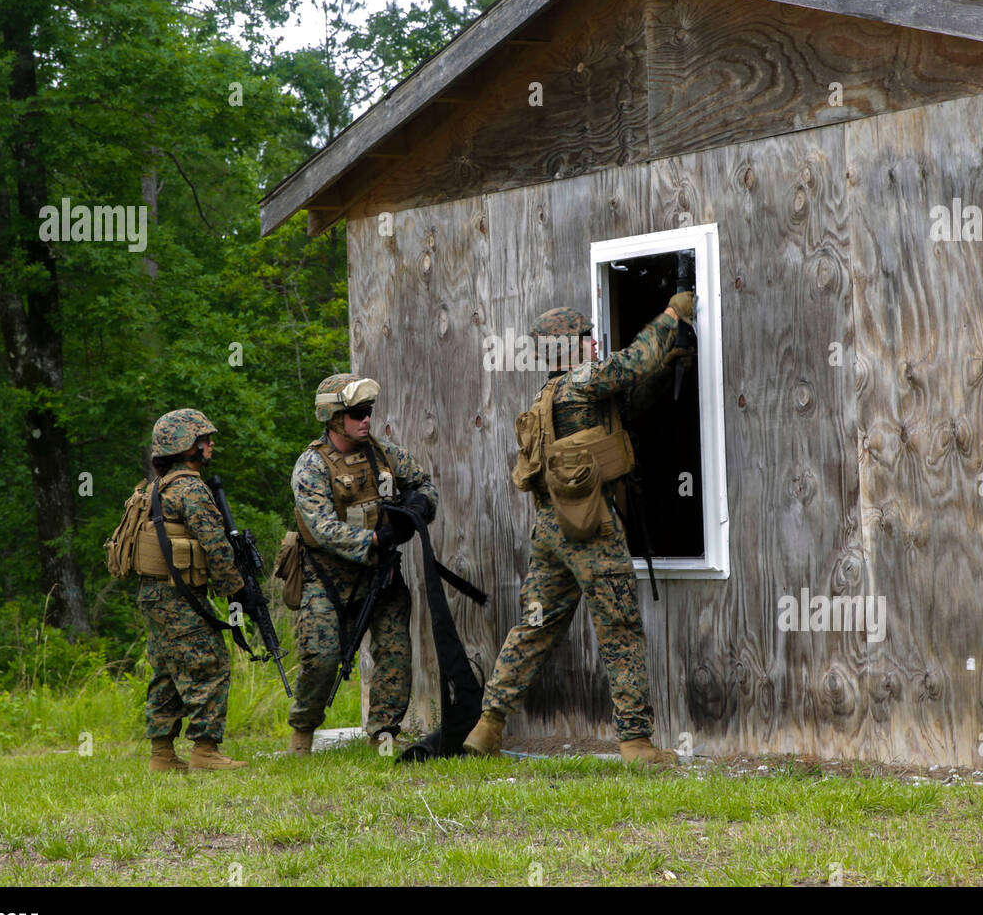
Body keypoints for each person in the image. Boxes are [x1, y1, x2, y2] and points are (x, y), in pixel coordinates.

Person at [463, 293, 695, 765]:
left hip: (552, 531)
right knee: (620, 629)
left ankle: (486, 728)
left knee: (534, 629)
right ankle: (636, 744)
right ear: (568, 348)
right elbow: (631, 363)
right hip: (590, 528)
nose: (594, 345)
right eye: (587, 338)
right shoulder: (583, 381)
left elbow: (624, 403)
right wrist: (672, 315)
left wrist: (668, 365)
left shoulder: (549, 397)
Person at [286, 374, 438, 754]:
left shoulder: (385, 455)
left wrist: (419, 504)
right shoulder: (311, 467)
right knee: (320, 659)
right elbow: (322, 528)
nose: (365, 420)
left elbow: (423, 483)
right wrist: (374, 539)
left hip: (380, 573)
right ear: (334, 418)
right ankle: (303, 733)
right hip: (327, 577)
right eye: (356, 413)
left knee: (394, 651)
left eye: (368, 412)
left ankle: (384, 735)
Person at [132, 409, 247, 772]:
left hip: (155, 595)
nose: (210, 444)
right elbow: (215, 545)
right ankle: (205, 752)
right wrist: (236, 591)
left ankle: (162, 755)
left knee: (166, 671)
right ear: (185, 446)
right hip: (179, 596)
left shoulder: (156, 487)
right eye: (203, 440)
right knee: (209, 663)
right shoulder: (190, 488)